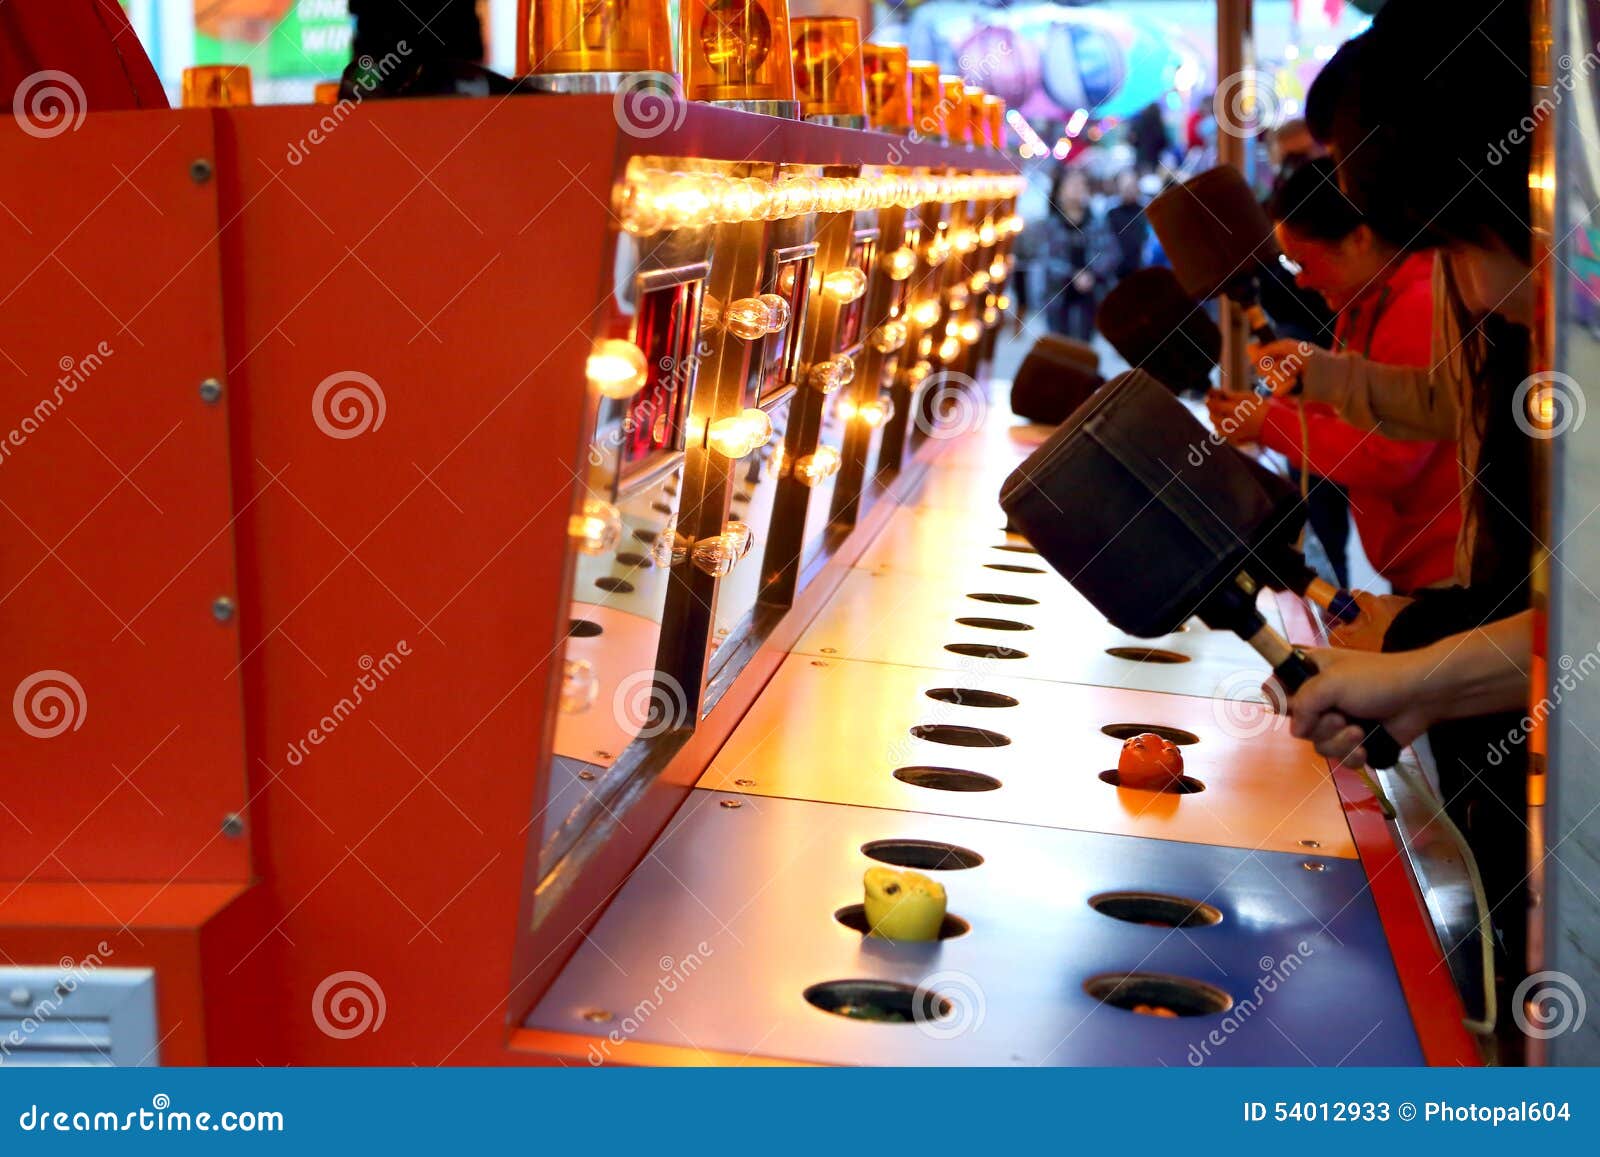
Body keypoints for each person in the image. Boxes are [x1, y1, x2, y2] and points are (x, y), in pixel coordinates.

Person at [1207, 157, 1461, 602]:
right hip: (1413, 566)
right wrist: (1272, 406)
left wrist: (1268, 423)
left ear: (1359, 239)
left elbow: (1390, 457)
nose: (1301, 281)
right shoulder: (1365, 300)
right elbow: (1346, 411)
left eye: (1303, 262)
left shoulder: (1419, 302)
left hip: (1448, 574)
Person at [1042, 166, 1109, 341]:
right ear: (1059, 192)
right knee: (1060, 350)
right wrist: (1073, 275)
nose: (1078, 188)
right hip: (1058, 298)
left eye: (1082, 184)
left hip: (1090, 297)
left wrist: (1092, 274)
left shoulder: (1097, 223)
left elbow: (1110, 253)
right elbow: (1046, 260)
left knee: (1084, 349)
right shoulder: (1051, 225)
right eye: (1072, 184)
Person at [1104, 170, 1149, 284]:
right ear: (1118, 188)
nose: (1128, 189)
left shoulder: (1146, 211)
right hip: (1118, 274)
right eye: (1125, 186)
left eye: (1132, 185)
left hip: (1144, 270)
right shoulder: (1110, 214)